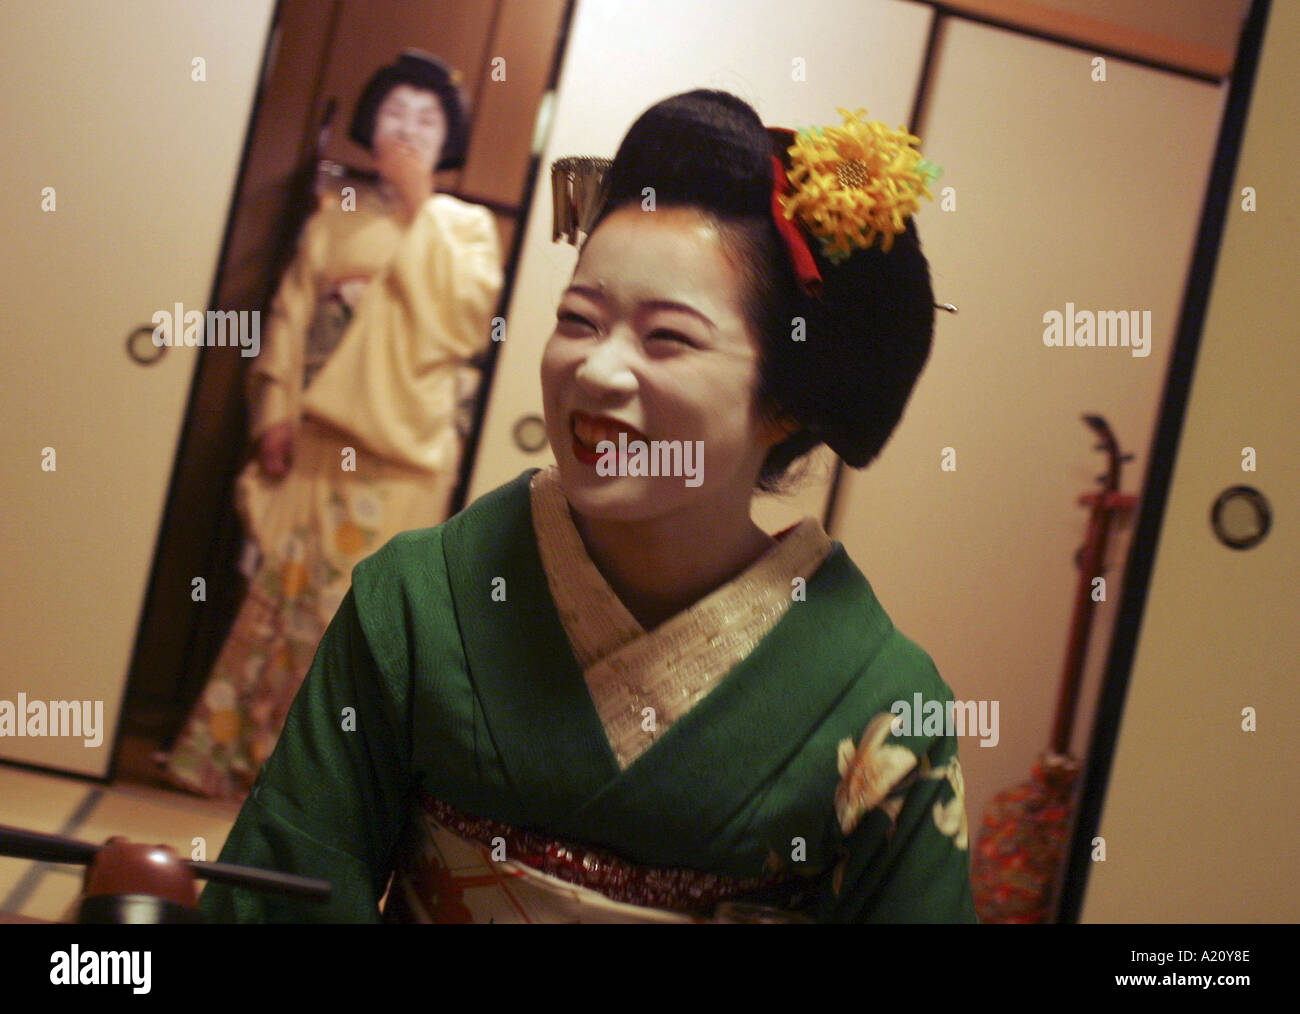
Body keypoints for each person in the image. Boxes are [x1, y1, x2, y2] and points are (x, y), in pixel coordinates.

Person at [200, 89, 976, 922]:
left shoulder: (883, 704)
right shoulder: (418, 605)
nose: (598, 372)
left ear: (786, 397)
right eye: (579, 319)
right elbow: (284, 895)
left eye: (666, 337)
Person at [162, 52, 502, 800]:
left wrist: (420, 208)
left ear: (450, 138)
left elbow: (468, 324)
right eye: (395, 113)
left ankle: (320, 789)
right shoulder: (335, 216)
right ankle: (231, 759)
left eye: (428, 118)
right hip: (322, 438)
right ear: (369, 125)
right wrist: (275, 413)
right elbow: (288, 316)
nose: (408, 129)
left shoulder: (467, 226)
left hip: (403, 452)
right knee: (283, 600)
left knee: (358, 612)